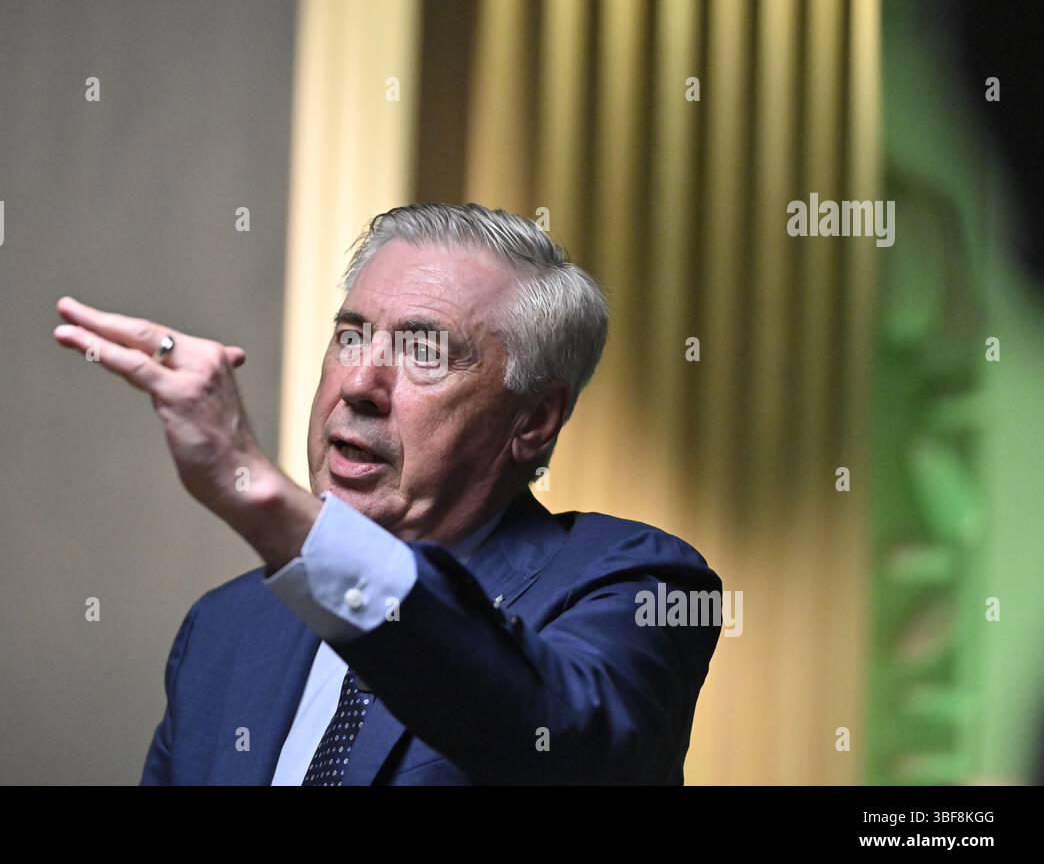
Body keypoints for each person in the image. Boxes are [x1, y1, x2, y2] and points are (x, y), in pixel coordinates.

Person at [52, 202, 723, 785]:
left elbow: (560, 747)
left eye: (425, 352)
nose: (360, 384)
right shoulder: (226, 631)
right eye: (351, 337)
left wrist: (256, 489)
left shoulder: (640, 585)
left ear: (535, 420)